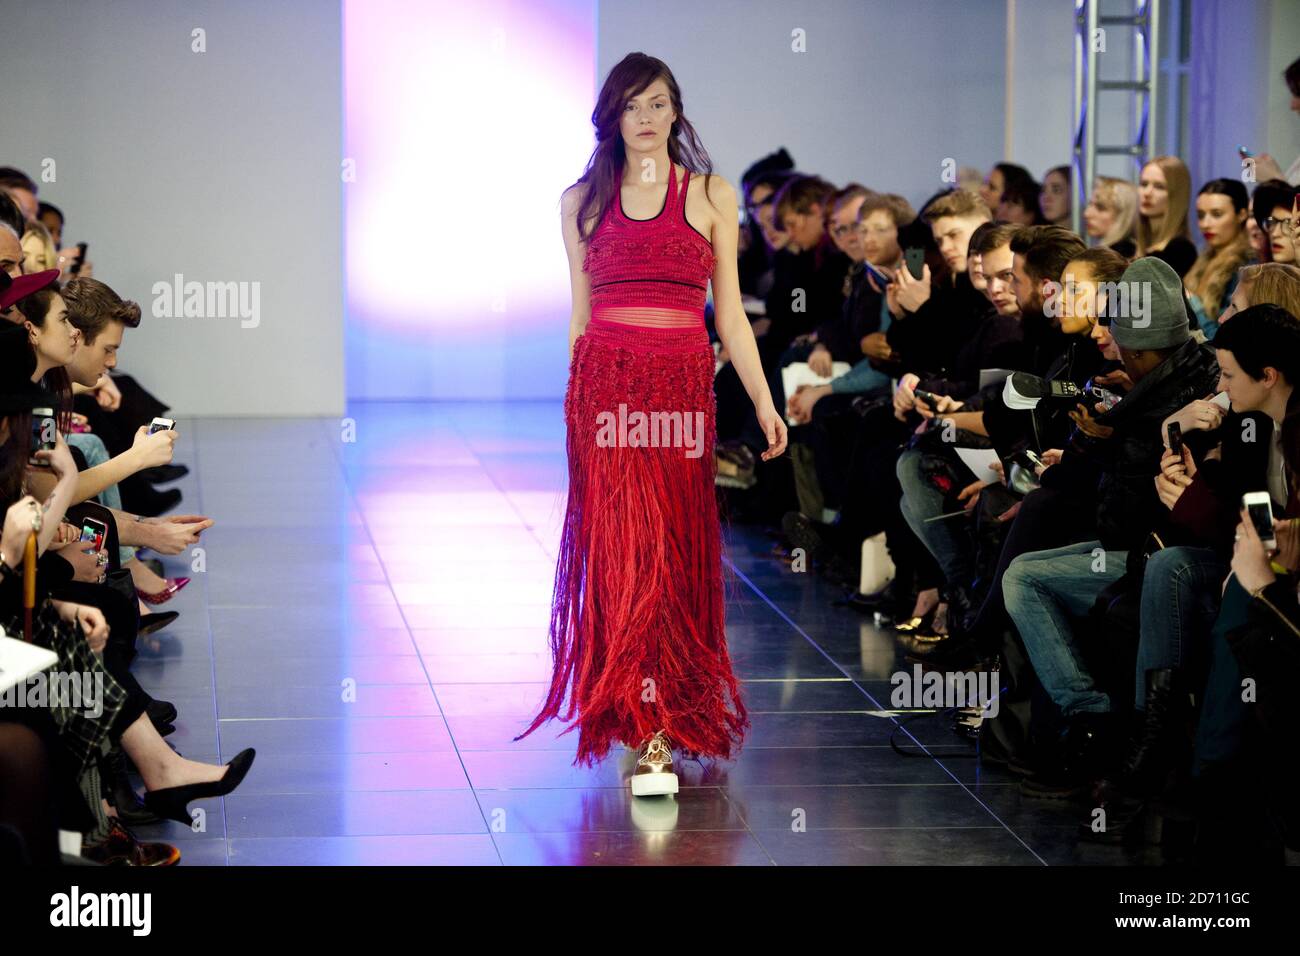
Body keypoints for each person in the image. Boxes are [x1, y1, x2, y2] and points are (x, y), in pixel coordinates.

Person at [514, 53, 787, 797]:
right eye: (632, 104)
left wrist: (764, 400)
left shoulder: (709, 195)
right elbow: (579, 314)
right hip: (604, 391)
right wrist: (573, 407)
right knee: (624, 558)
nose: (645, 116)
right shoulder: (579, 201)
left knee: (670, 558)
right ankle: (648, 731)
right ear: (612, 114)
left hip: (678, 394)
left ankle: (664, 715)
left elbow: (728, 313)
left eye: (658, 103)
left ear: (675, 111)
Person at [1184, 178, 1254, 340]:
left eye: (1217, 214)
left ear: (1242, 214)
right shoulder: (1204, 257)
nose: (1205, 224)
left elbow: (1225, 338)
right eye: (1201, 215)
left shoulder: (1245, 267)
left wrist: (1192, 303)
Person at [1135, 155, 1196, 277]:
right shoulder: (1133, 246)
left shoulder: (1180, 251)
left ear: (1177, 194)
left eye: (1159, 187)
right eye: (1144, 184)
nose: (1147, 193)